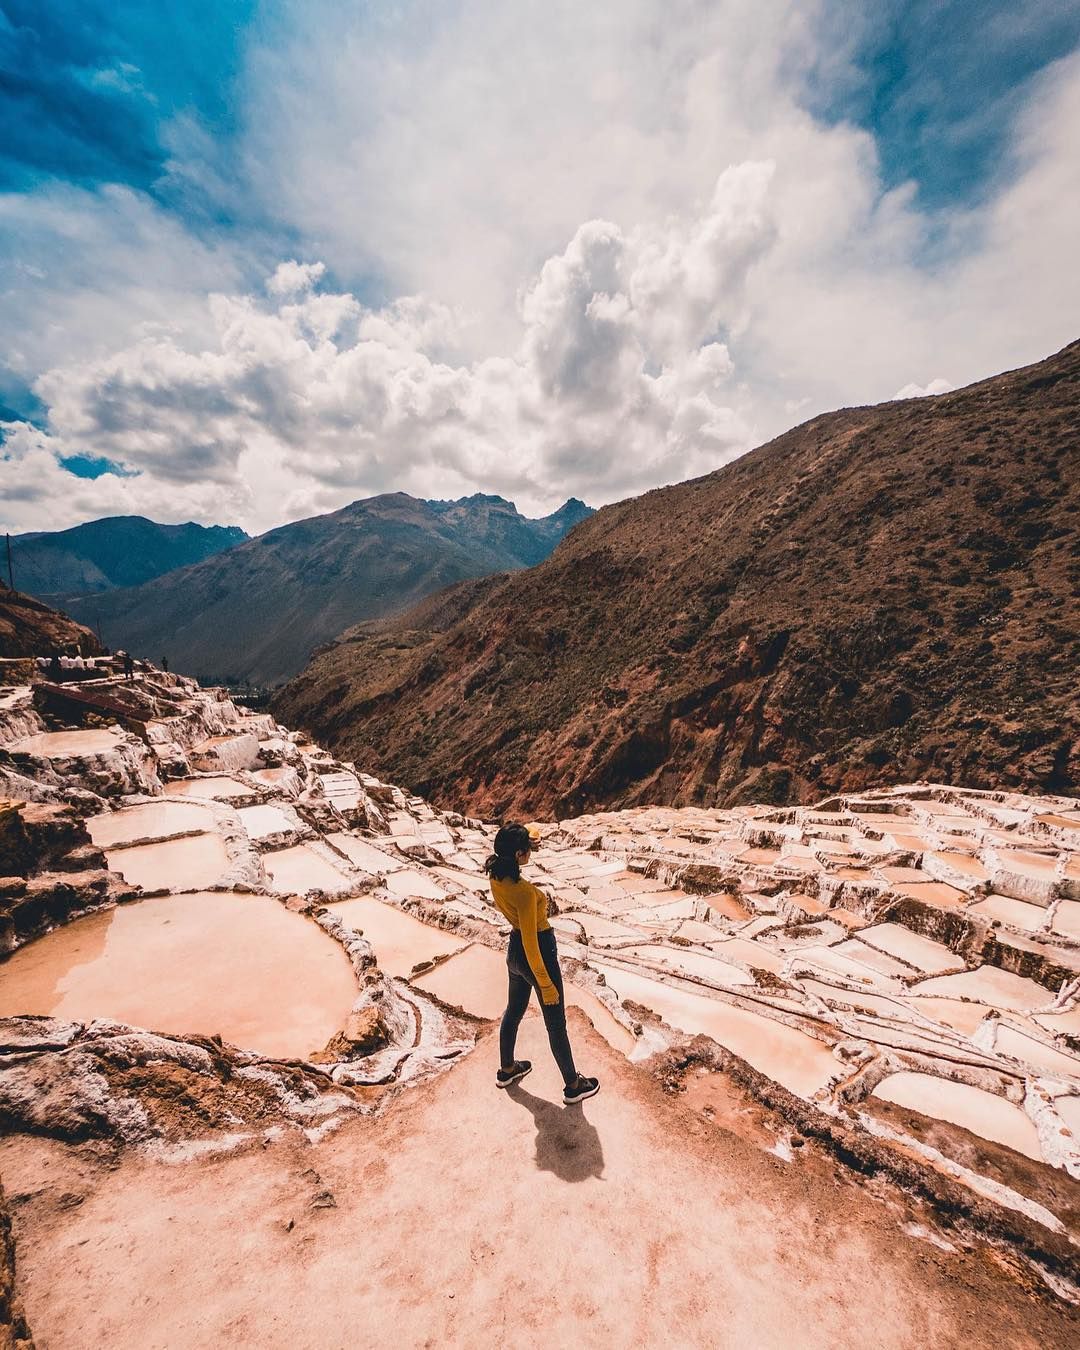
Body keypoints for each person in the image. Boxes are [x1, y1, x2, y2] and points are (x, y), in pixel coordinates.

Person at [486, 821, 600, 1105]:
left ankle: (507, 1069)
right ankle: (573, 1085)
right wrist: (546, 984)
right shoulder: (524, 893)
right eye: (527, 849)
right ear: (517, 854)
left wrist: (528, 837)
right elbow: (531, 942)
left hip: (513, 952)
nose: (531, 852)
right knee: (555, 1023)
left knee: (514, 1010)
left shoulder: (496, 875)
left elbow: (520, 937)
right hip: (536, 951)